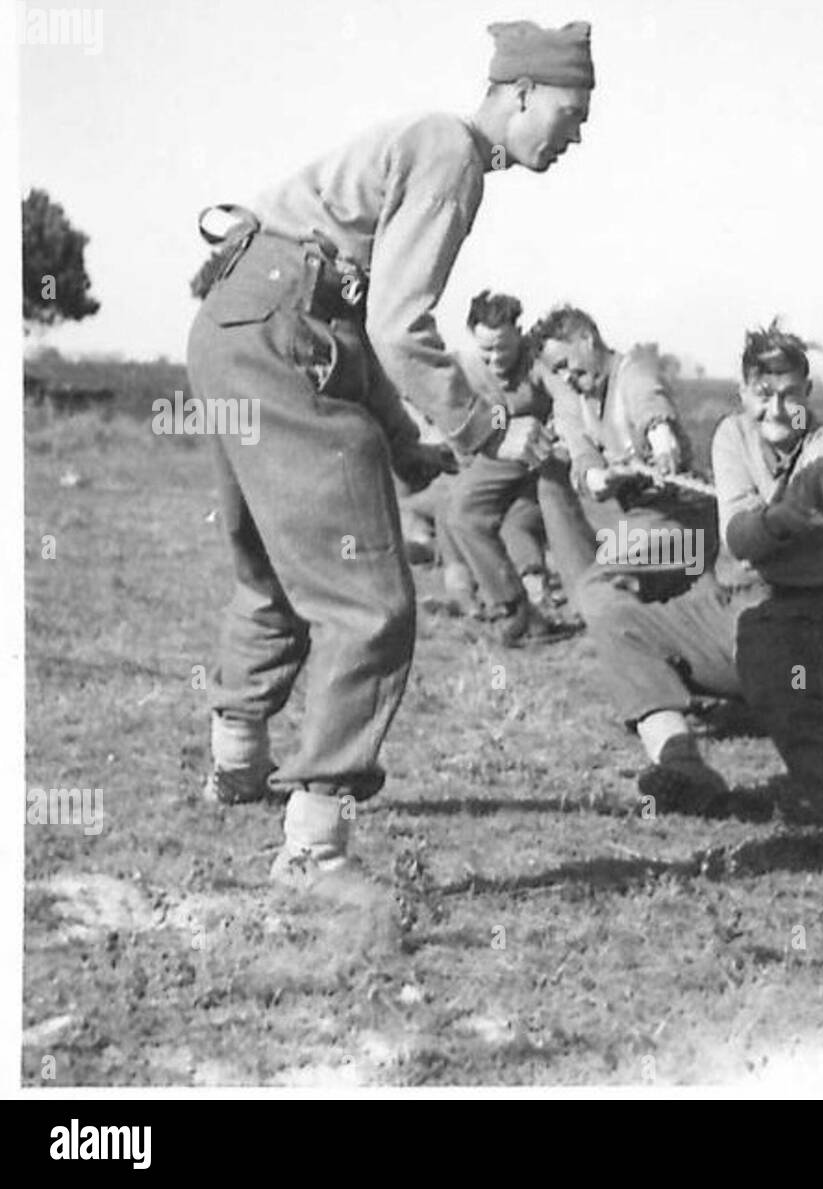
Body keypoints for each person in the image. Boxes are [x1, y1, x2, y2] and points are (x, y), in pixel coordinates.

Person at [187, 19, 595, 896]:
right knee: (367, 597)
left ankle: (237, 756)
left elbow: (351, 320)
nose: (577, 134)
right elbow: (395, 325)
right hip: (287, 330)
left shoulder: (424, 142)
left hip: (234, 325)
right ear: (520, 93)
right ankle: (316, 848)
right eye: (571, 110)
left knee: (272, 564)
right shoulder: (452, 153)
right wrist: (488, 431)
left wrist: (411, 446)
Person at [579, 321, 823, 890]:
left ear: (807, 395)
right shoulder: (731, 436)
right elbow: (745, 538)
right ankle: (684, 768)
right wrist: (796, 508)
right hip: (729, 609)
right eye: (763, 394)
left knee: (787, 698)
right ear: (745, 394)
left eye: (790, 394)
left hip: (801, 619)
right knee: (618, 617)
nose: (776, 407)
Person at [434, 291, 598, 644]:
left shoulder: (535, 359)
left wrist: (571, 436)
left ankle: (595, 606)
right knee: (461, 512)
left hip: (543, 454)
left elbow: (567, 399)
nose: (495, 359)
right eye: (486, 349)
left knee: (552, 516)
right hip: (498, 457)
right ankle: (513, 607)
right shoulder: (464, 367)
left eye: (502, 348)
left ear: (517, 334)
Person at [532, 305, 717, 603]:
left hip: (686, 513)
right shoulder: (572, 404)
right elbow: (587, 467)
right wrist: (608, 477)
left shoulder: (633, 371)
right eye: (557, 371)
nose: (566, 377)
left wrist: (660, 433)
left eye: (566, 363)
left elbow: (648, 399)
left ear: (587, 340)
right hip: (644, 518)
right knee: (657, 601)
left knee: (598, 588)